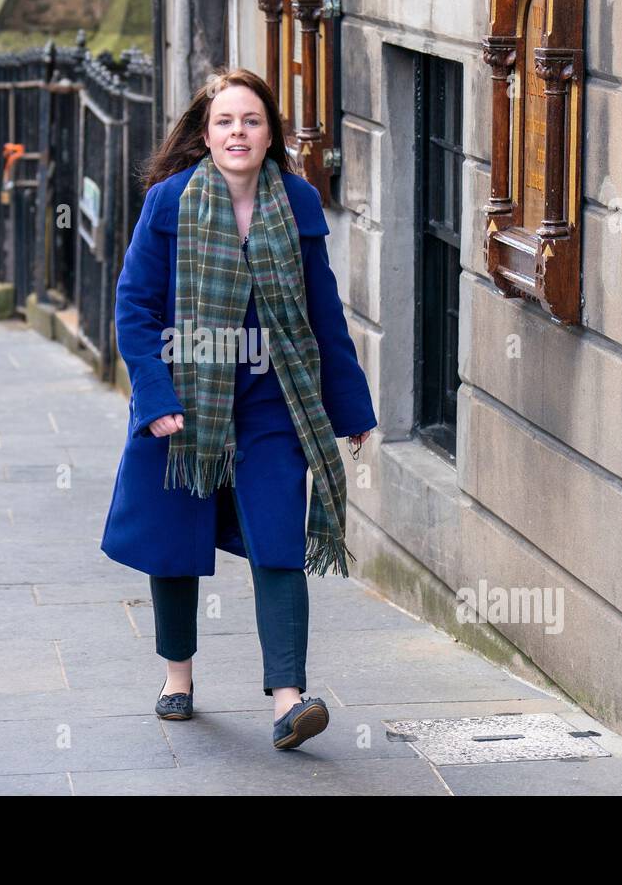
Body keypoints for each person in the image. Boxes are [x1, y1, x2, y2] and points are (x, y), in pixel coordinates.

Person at [100, 68, 377, 750]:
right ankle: (178, 677)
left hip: (271, 399)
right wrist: (156, 398)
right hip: (186, 402)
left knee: (278, 540)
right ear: (205, 132)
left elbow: (322, 315)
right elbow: (134, 309)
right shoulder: (168, 204)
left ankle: (289, 698)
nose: (238, 133)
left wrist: (351, 408)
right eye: (225, 121)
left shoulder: (300, 204)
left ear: (270, 134)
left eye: (252, 121)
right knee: (175, 539)